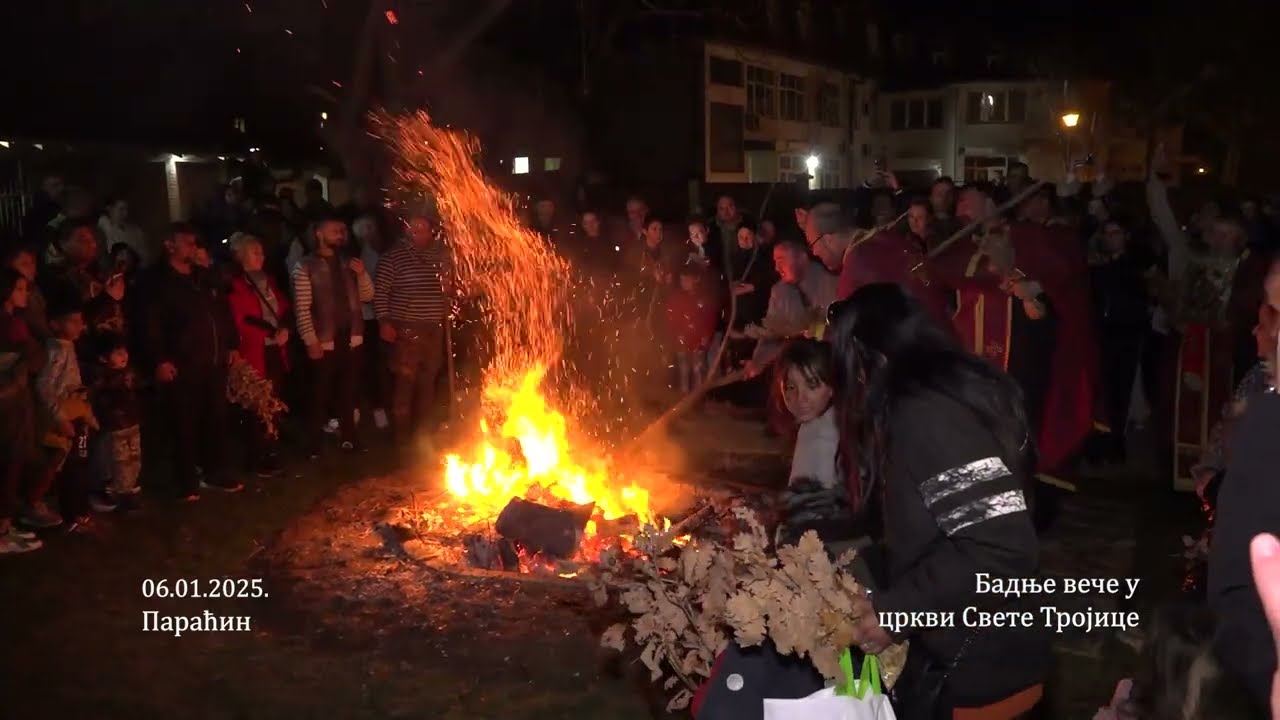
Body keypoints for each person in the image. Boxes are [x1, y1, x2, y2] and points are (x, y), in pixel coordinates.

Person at [829, 283, 1049, 716]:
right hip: (980, 651)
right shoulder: (947, 393)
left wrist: (896, 610)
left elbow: (1000, 545)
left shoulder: (929, 414)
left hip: (981, 668)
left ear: (866, 359)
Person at [139, 223, 243, 499]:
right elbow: (149, 324)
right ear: (169, 245)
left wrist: (231, 343)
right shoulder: (155, 281)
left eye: (194, 243)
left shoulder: (203, 277)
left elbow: (222, 308)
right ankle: (185, 479)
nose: (192, 247)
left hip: (213, 359)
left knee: (215, 418)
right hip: (182, 362)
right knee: (183, 422)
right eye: (186, 242)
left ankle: (214, 470)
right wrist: (159, 359)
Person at [293, 212, 374, 455]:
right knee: (320, 393)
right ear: (319, 233)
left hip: (351, 337)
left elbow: (368, 296)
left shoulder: (349, 262)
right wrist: (311, 340)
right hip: (324, 340)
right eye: (334, 230)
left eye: (342, 230)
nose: (340, 235)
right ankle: (314, 443)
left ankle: (349, 436)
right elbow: (302, 307)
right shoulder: (305, 265)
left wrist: (362, 274)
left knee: (348, 391)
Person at [374, 214, 452, 446]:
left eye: (423, 228)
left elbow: (452, 290)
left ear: (431, 231)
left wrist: (451, 288)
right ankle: (401, 435)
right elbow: (380, 293)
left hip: (434, 326)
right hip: (406, 328)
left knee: (428, 380)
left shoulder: (440, 256)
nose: (417, 231)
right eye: (413, 228)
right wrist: (384, 321)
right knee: (405, 381)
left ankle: (423, 432)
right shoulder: (393, 258)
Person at [228, 233, 291, 477]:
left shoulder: (269, 281)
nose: (261, 257)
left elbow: (283, 307)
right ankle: (256, 455)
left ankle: (270, 450)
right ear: (242, 256)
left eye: (262, 252)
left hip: (275, 350)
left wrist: (284, 328)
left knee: (273, 399)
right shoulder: (236, 286)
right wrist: (270, 333)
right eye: (255, 253)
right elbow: (240, 319)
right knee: (257, 402)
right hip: (256, 351)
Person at [0, 268, 44, 551]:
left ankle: (5, 525)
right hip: (8, 404)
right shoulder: (8, 325)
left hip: (14, 401)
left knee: (12, 462)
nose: (24, 294)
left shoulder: (15, 321)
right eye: (19, 289)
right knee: (7, 462)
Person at [88, 333, 142, 511]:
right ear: (103, 358)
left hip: (129, 423)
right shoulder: (100, 377)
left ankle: (126, 488)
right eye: (117, 353)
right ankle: (103, 491)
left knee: (130, 457)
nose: (124, 356)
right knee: (110, 458)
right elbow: (96, 399)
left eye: (124, 351)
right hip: (111, 426)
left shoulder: (128, 374)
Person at [664, 263, 718, 393]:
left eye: (687, 279)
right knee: (684, 369)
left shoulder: (704, 297)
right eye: (682, 280)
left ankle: (697, 397)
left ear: (696, 279)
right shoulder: (677, 298)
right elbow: (671, 318)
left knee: (698, 368)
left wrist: (706, 336)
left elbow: (710, 318)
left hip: (698, 341)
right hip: (683, 341)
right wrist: (677, 334)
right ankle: (684, 397)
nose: (684, 283)